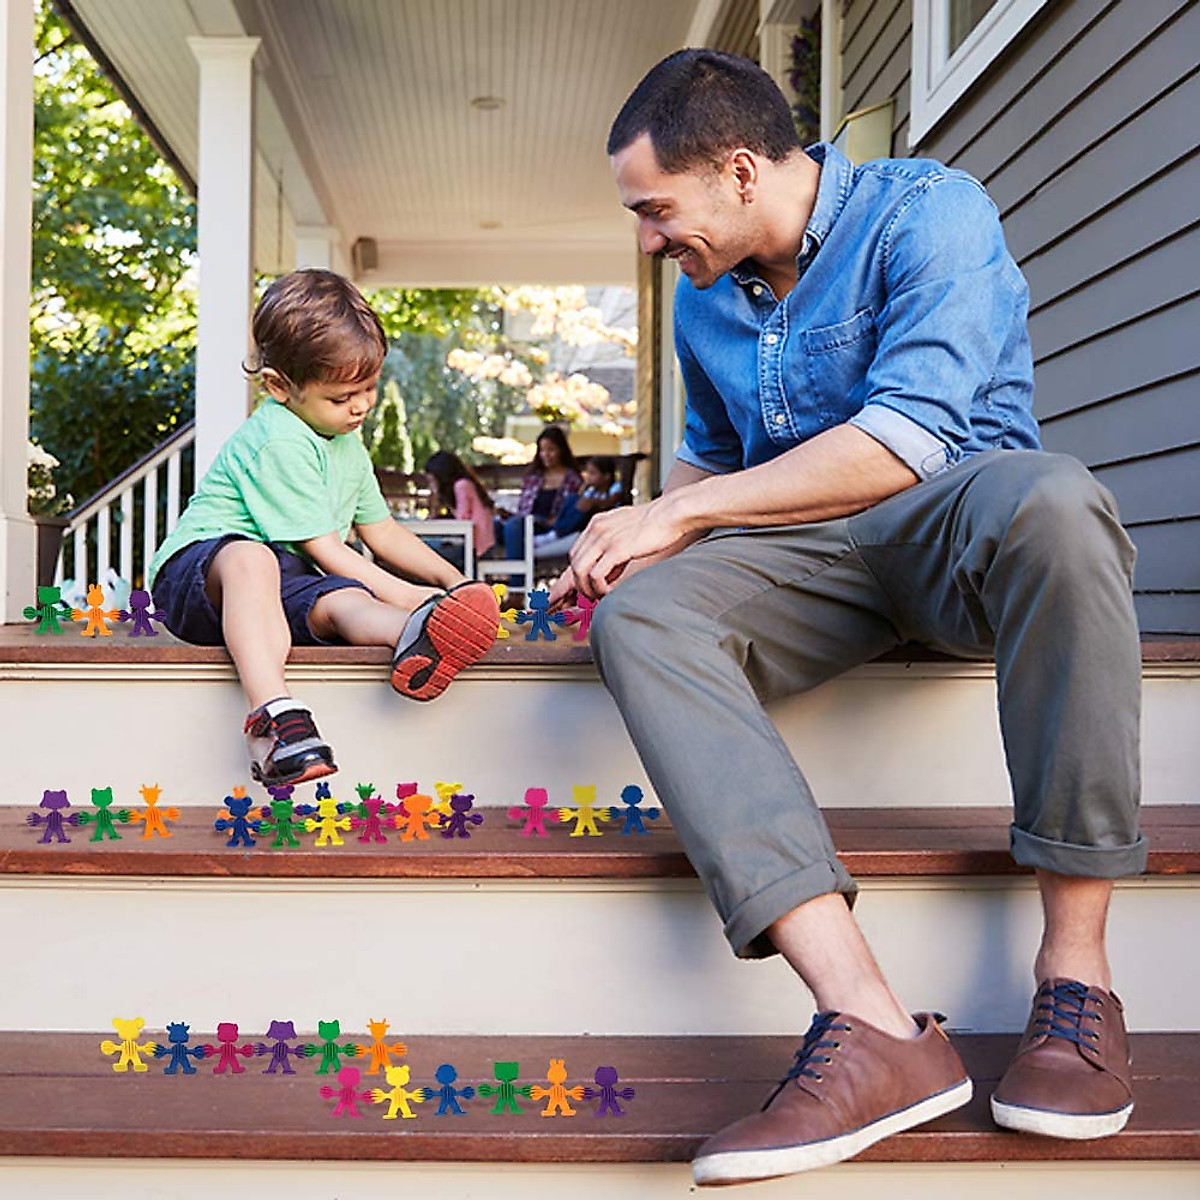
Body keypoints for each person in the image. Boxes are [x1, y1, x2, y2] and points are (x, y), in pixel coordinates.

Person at [551, 50, 1144, 1187]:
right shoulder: (702, 296)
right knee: (647, 619)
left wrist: (686, 514)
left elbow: (909, 439)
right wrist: (637, 548)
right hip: (808, 565)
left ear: (739, 171)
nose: (649, 240)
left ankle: (1077, 978)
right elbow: (707, 466)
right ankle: (869, 1023)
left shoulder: (930, 212)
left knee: (1061, 502)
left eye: (655, 210)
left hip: (959, 525)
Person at [149, 269, 499, 788]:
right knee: (255, 559)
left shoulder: (346, 444)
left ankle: (415, 636)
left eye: (369, 388)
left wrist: (456, 585)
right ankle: (274, 719)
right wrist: (415, 595)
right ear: (279, 387)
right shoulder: (280, 438)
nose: (361, 405)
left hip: (284, 577)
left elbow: (383, 533)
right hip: (201, 575)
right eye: (341, 397)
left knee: (342, 599)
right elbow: (328, 550)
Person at [498, 425, 582, 560]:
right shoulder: (533, 477)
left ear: (561, 450)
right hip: (526, 521)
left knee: (514, 525)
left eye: (551, 450)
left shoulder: (572, 479)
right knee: (496, 525)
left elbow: (572, 509)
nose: (546, 455)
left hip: (549, 526)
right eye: (542, 450)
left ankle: (516, 573)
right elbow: (523, 509)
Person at [424, 450, 497, 564]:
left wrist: (437, 496)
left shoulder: (462, 486)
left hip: (476, 548)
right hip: (474, 546)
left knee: (427, 555)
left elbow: (462, 522)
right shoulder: (464, 484)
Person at [536, 455, 623, 547]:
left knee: (581, 502)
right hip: (586, 517)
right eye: (587, 473)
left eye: (592, 473)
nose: (588, 477)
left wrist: (593, 501)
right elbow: (580, 502)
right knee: (572, 498)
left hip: (602, 516)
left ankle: (556, 532)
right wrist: (584, 488)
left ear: (606, 476)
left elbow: (612, 501)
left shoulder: (615, 487)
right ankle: (557, 525)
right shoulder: (592, 490)